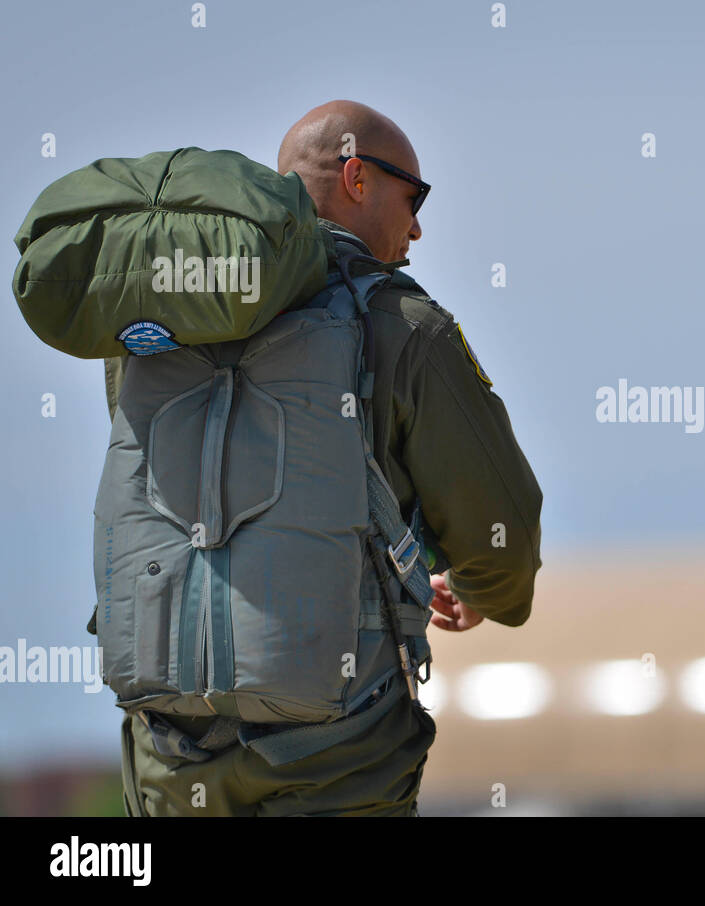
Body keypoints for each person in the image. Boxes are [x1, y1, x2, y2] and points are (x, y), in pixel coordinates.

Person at [114, 100, 543, 816]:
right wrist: (487, 594)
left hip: (169, 753)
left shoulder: (155, 325)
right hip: (335, 759)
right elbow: (501, 525)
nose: (417, 225)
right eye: (413, 196)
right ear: (356, 177)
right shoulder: (407, 328)